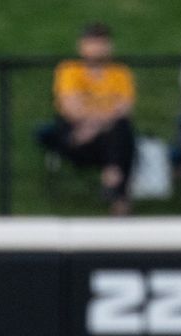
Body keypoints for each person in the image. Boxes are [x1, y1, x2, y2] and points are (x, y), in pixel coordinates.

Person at [40, 22, 137, 215]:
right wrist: (98, 121)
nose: (97, 48)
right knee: (120, 137)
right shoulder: (69, 70)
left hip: (100, 133)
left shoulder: (120, 72)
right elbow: (71, 109)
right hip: (76, 135)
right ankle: (118, 195)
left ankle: (113, 180)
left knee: (121, 130)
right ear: (82, 46)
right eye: (92, 43)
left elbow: (124, 107)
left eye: (102, 43)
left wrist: (94, 126)